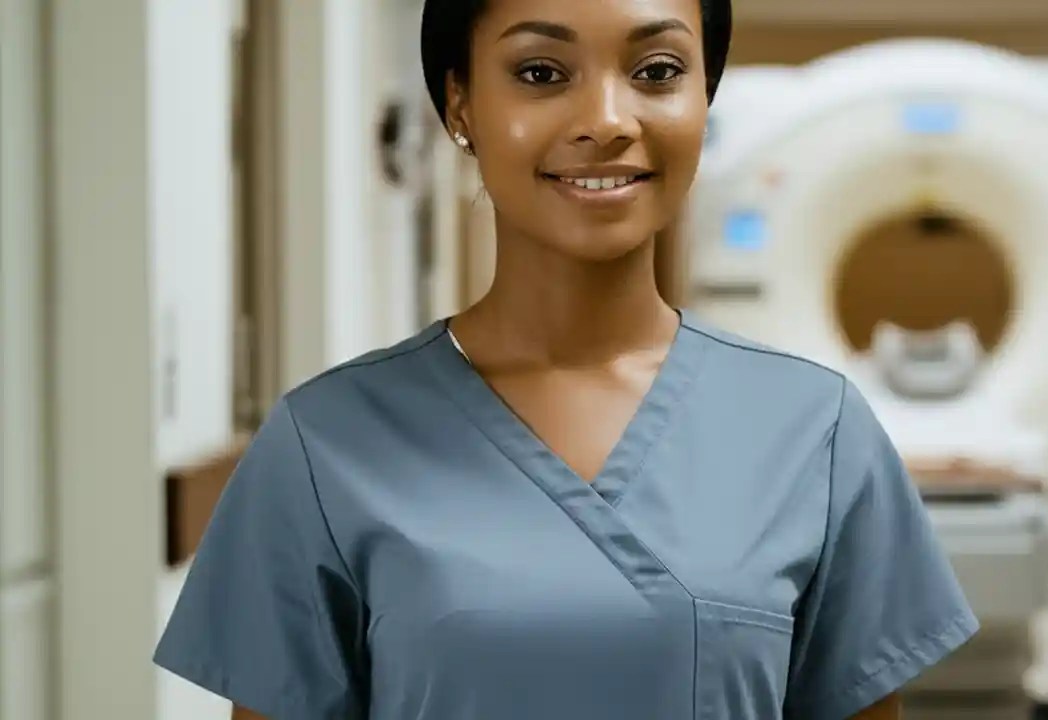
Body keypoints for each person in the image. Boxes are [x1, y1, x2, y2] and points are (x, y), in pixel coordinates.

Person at [152, 0, 979, 718]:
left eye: (657, 70)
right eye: (543, 73)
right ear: (460, 104)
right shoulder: (324, 447)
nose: (609, 119)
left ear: (703, 100)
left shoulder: (818, 433)